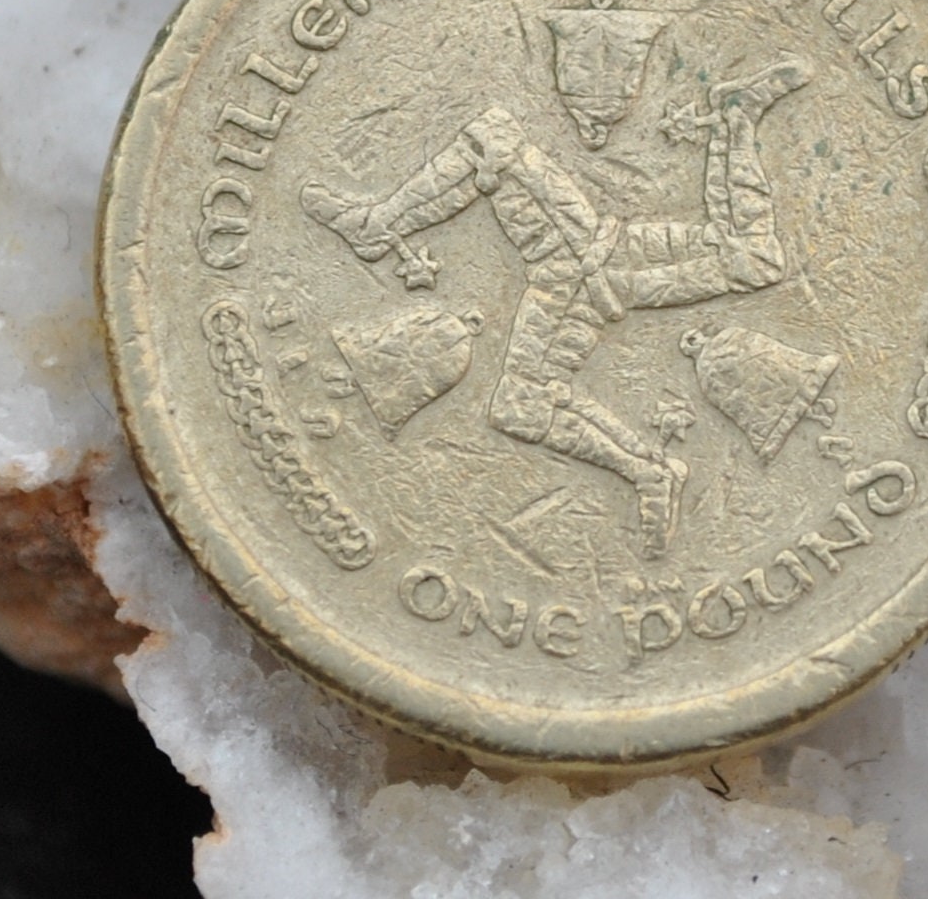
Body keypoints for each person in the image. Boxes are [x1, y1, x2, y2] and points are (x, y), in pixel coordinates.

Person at [302, 56, 811, 551]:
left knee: (753, 258)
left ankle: (736, 115)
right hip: (592, 263)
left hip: (587, 268)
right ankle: (651, 473)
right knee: (494, 139)